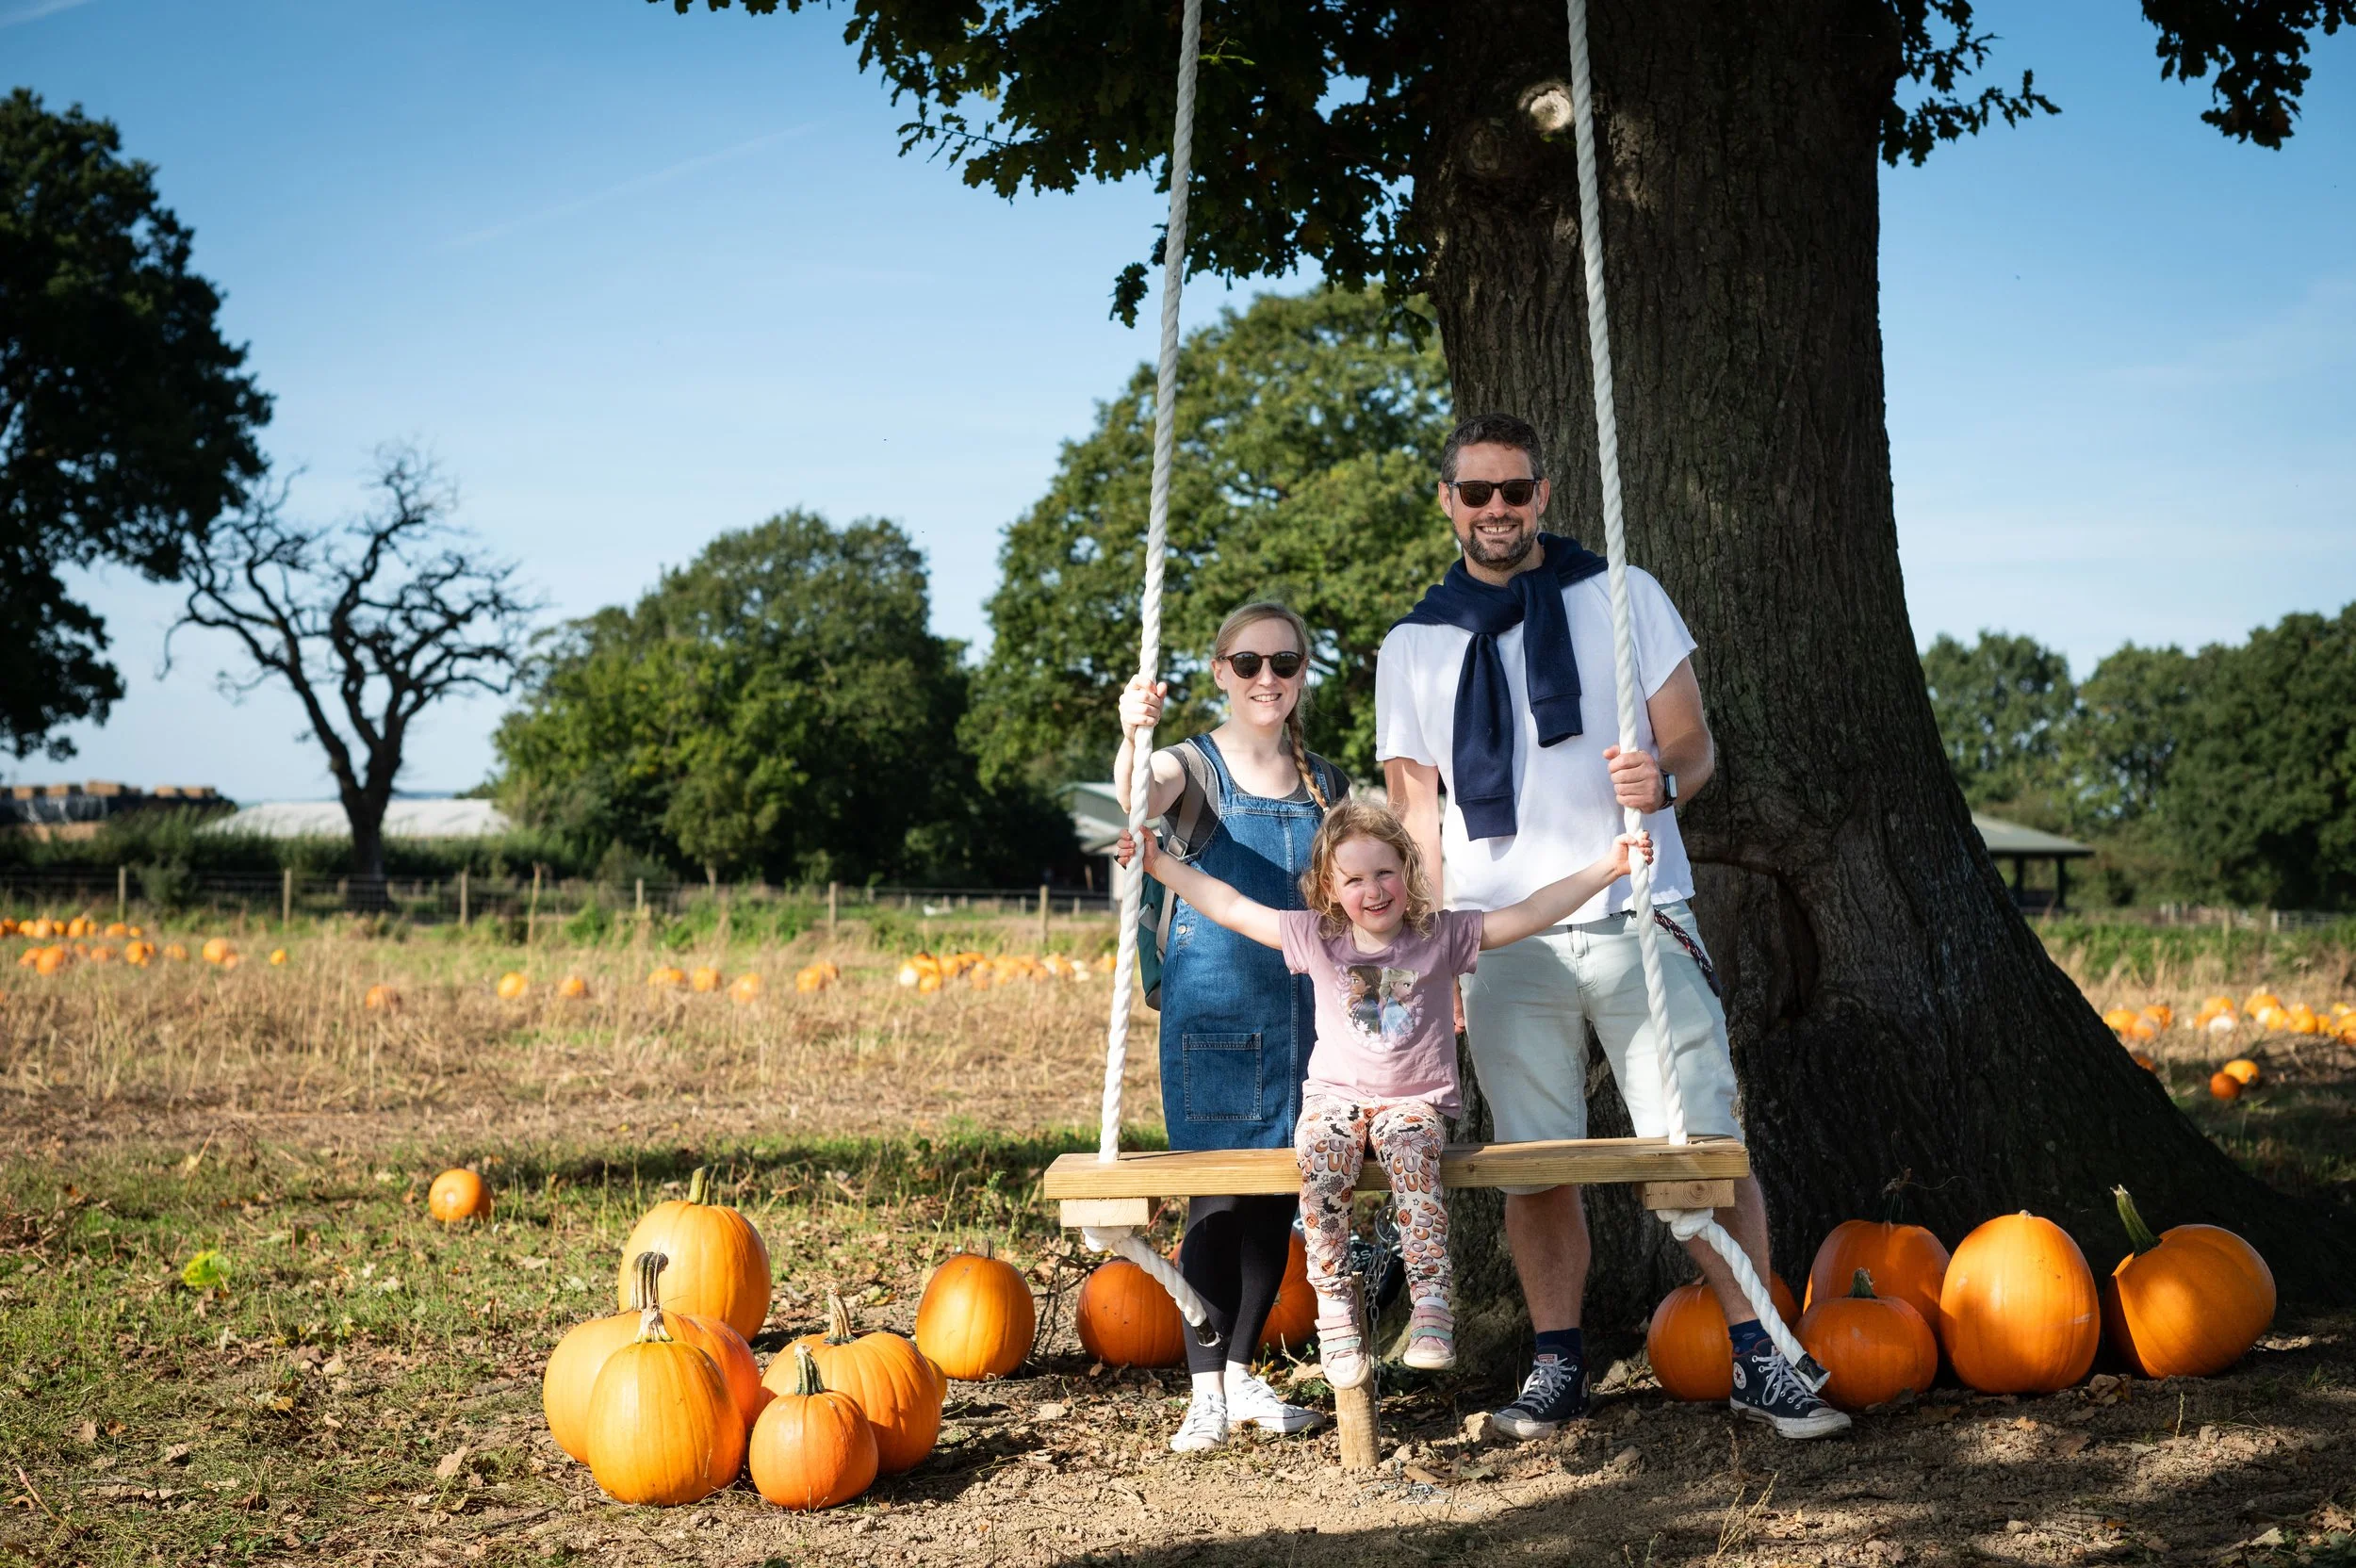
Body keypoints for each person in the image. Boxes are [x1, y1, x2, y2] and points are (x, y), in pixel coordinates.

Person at [1375, 412, 1849, 1441]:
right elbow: (1416, 813)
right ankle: (1556, 1368)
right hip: (1499, 937)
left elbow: (1694, 743)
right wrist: (1429, 952)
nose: (1495, 508)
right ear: (1447, 501)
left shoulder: (1621, 596)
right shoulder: (1412, 644)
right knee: (1534, 1161)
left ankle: (1757, 1354)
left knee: (1701, 1143)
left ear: (1542, 495)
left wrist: (1663, 778)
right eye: (1475, 491)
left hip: (1640, 912)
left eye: (1514, 490)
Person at [1131, 801, 1651, 1391]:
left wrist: (1609, 869)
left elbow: (1529, 914)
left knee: (1411, 1143)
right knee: (1321, 1152)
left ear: (1407, 870)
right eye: (1353, 879)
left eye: (1384, 873)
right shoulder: (1316, 937)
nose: (1372, 891)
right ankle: (1335, 1309)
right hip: (1336, 1099)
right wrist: (1160, 865)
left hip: (1412, 1102)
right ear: (1329, 889)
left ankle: (1430, 1301)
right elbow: (1231, 906)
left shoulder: (1440, 936)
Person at [1112, 600, 1349, 1453]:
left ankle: (1245, 1376)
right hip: (1217, 1017)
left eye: (1284, 663)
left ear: (1302, 673)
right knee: (1217, 1196)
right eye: (1247, 663)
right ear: (1219, 671)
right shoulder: (1192, 766)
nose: (1266, 679)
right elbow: (1135, 798)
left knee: (1278, 1203)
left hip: (1314, 1025)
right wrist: (1133, 735)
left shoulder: (1329, 783)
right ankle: (1203, 1392)